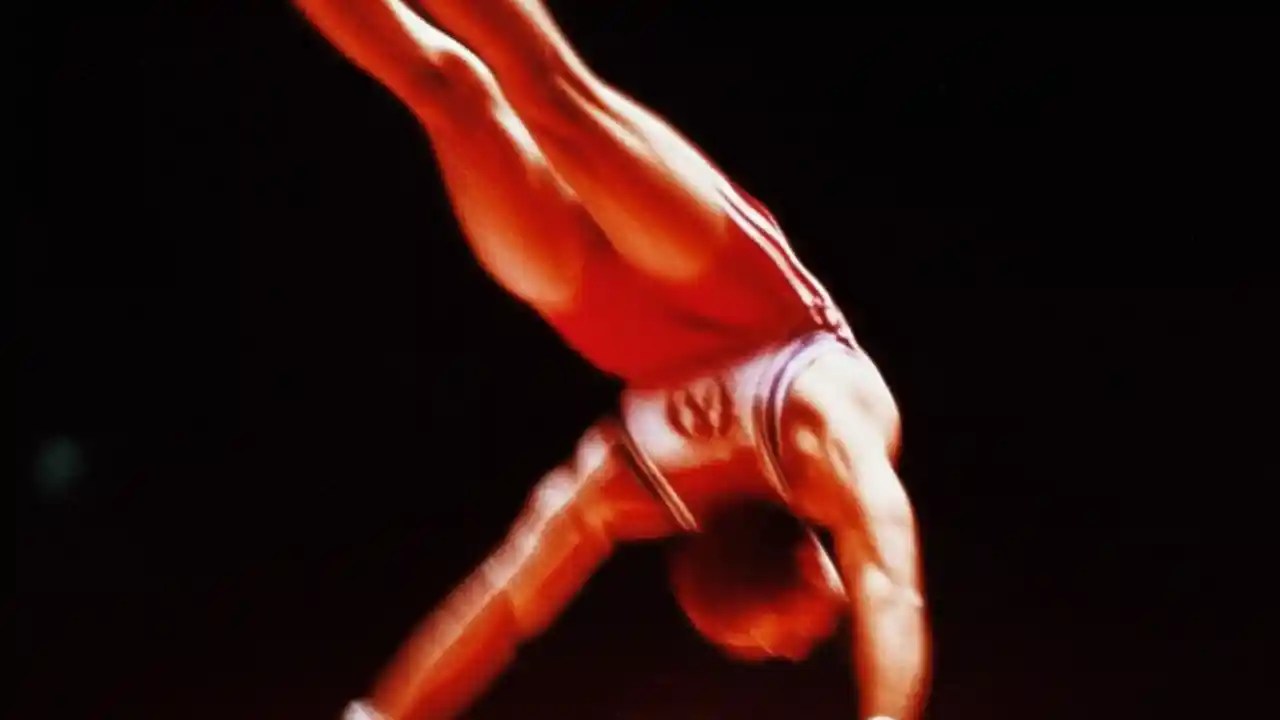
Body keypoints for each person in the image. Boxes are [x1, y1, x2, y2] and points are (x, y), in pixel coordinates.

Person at [293, 2, 930, 718]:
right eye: (800, 641)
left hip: (608, 318)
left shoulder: (632, 486)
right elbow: (888, 583)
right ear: (817, 567)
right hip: (738, 296)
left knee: (451, 91)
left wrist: (380, 715)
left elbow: (503, 605)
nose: (790, 650)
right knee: (549, 95)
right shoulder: (828, 431)